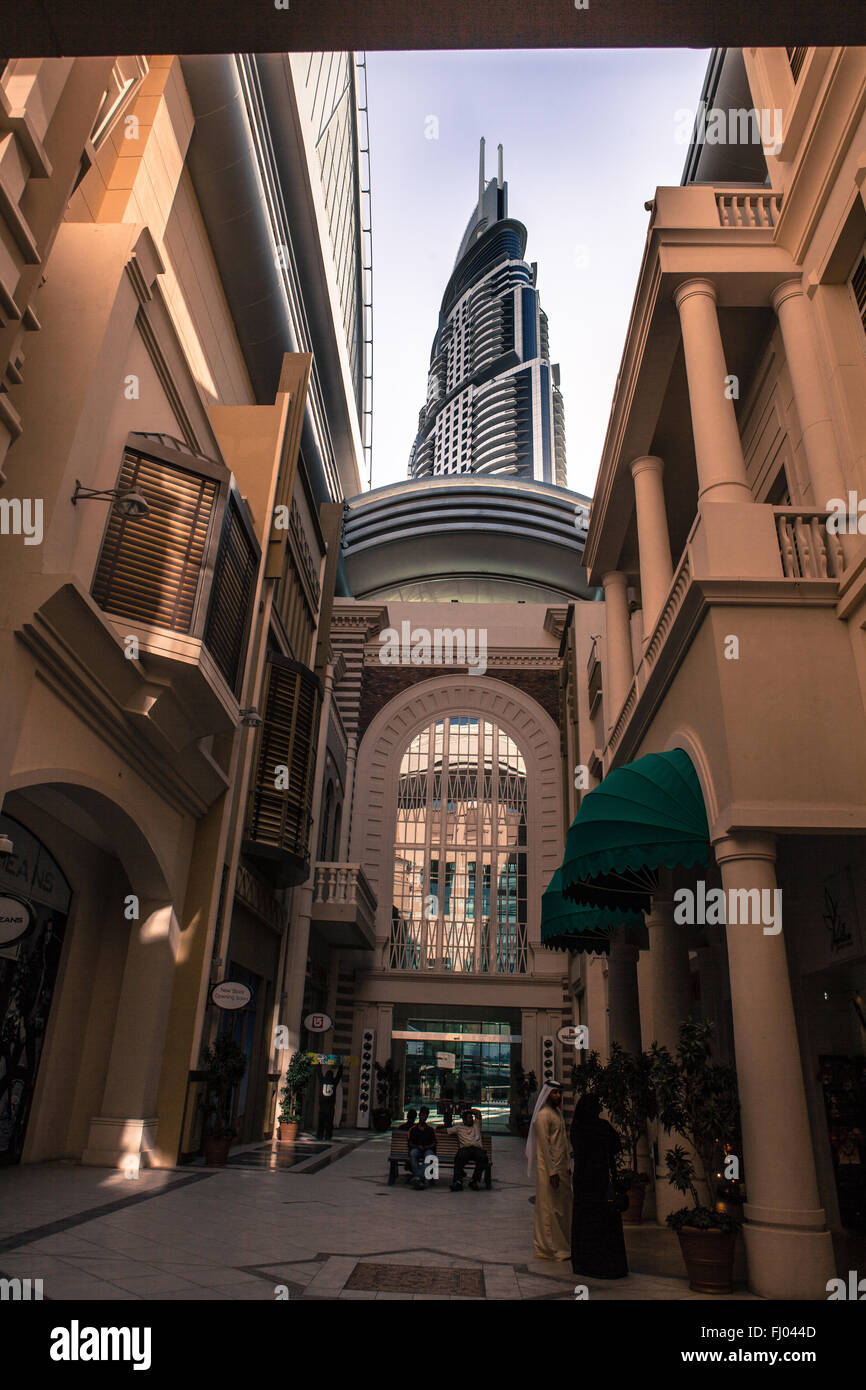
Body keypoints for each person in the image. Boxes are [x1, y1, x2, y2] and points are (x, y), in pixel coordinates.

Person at [570, 1093, 628, 1279]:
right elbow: (616, 1146)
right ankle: (608, 1263)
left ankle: (584, 1262)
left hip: (583, 1181)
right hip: (601, 1181)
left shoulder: (577, 1127)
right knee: (604, 1222)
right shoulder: (602, 1127)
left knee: (584, 1221)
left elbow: (576, 1149)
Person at [525, 1081, 572, 1261]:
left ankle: (563, 1245)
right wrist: (552, 1171)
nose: (558, 1096)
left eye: (559, 1093)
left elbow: (562, 1142)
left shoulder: (557, 1113)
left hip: (561, 1168)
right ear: (547, 1095)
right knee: (549, 1209)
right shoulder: (543, 1116)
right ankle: (550, 1248)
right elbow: (545, 1145)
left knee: (562, 1209)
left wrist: (566, 1166)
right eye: (554, 1093)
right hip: (549, 1170)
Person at [445, 1106, 489, 1190]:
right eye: (469, 1118)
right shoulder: (458, 1128)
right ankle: (457, 1182)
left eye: (471, 1117)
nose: (471, 1119)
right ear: (464, 1120)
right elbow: (446, 1130)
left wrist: (468, 1110)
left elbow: (478, 1113)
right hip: (465, 1149)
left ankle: (474, 1181)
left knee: (483, 1159)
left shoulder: (477, 1125)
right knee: (459, 1157)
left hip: (477, 1149)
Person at [408, 1106, 438, 1189]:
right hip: (416, 1149)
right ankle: (420, 1178)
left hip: (428, 1149)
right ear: (419, 1116)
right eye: (421, 1115)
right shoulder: (413, 1129)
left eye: (424, 1116)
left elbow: (434, 1143)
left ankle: (418, 1177)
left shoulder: (431, 1130)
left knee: (429, 1156)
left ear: (426, 1117)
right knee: (413, 1153)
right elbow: (410, 1142)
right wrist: (418, 1146)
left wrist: (427, 1147)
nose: (422, 1118)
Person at [315, 1059, 344, 1141]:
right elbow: (339, 1075)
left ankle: (319, 1136)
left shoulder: (322, 1081)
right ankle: (328, 1136)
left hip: (322, 1106)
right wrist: (341, 1066)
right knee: (329, 1123)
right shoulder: (334, 1082)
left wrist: (319, 1063)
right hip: (330, 1107)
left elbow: (319, 1073)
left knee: (321, 1122)